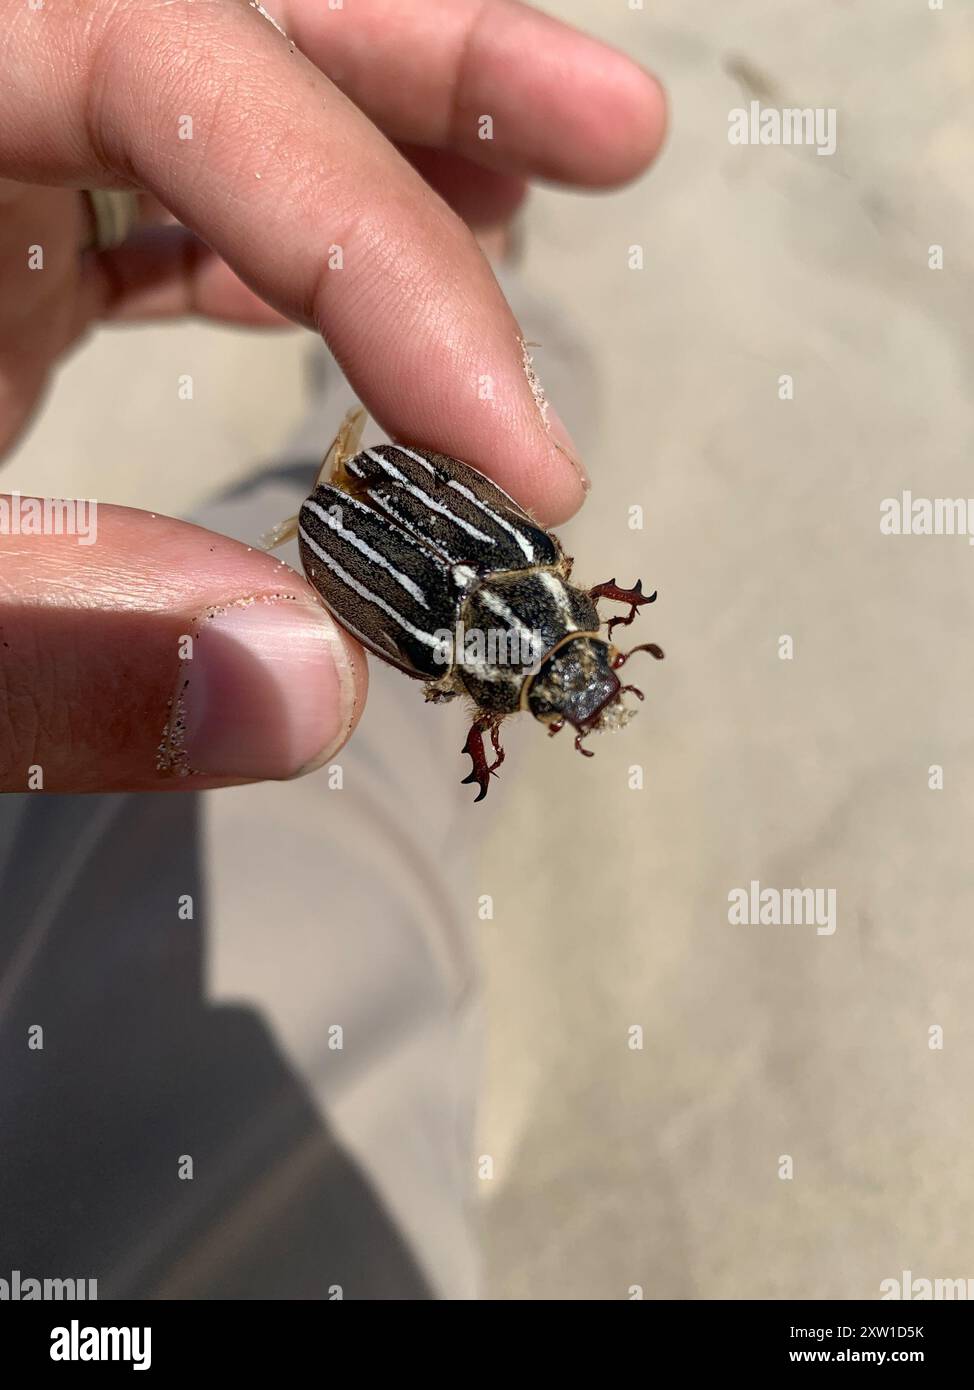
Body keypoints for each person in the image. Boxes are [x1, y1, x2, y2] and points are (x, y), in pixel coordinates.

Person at [0, 0, 665, 1298]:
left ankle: (431, 319)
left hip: (395, 555)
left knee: (365, 609)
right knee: (352, 738)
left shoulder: (511, 623)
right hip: (397, 561)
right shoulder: (500, 638)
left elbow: (474, 634)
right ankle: (478, 297)